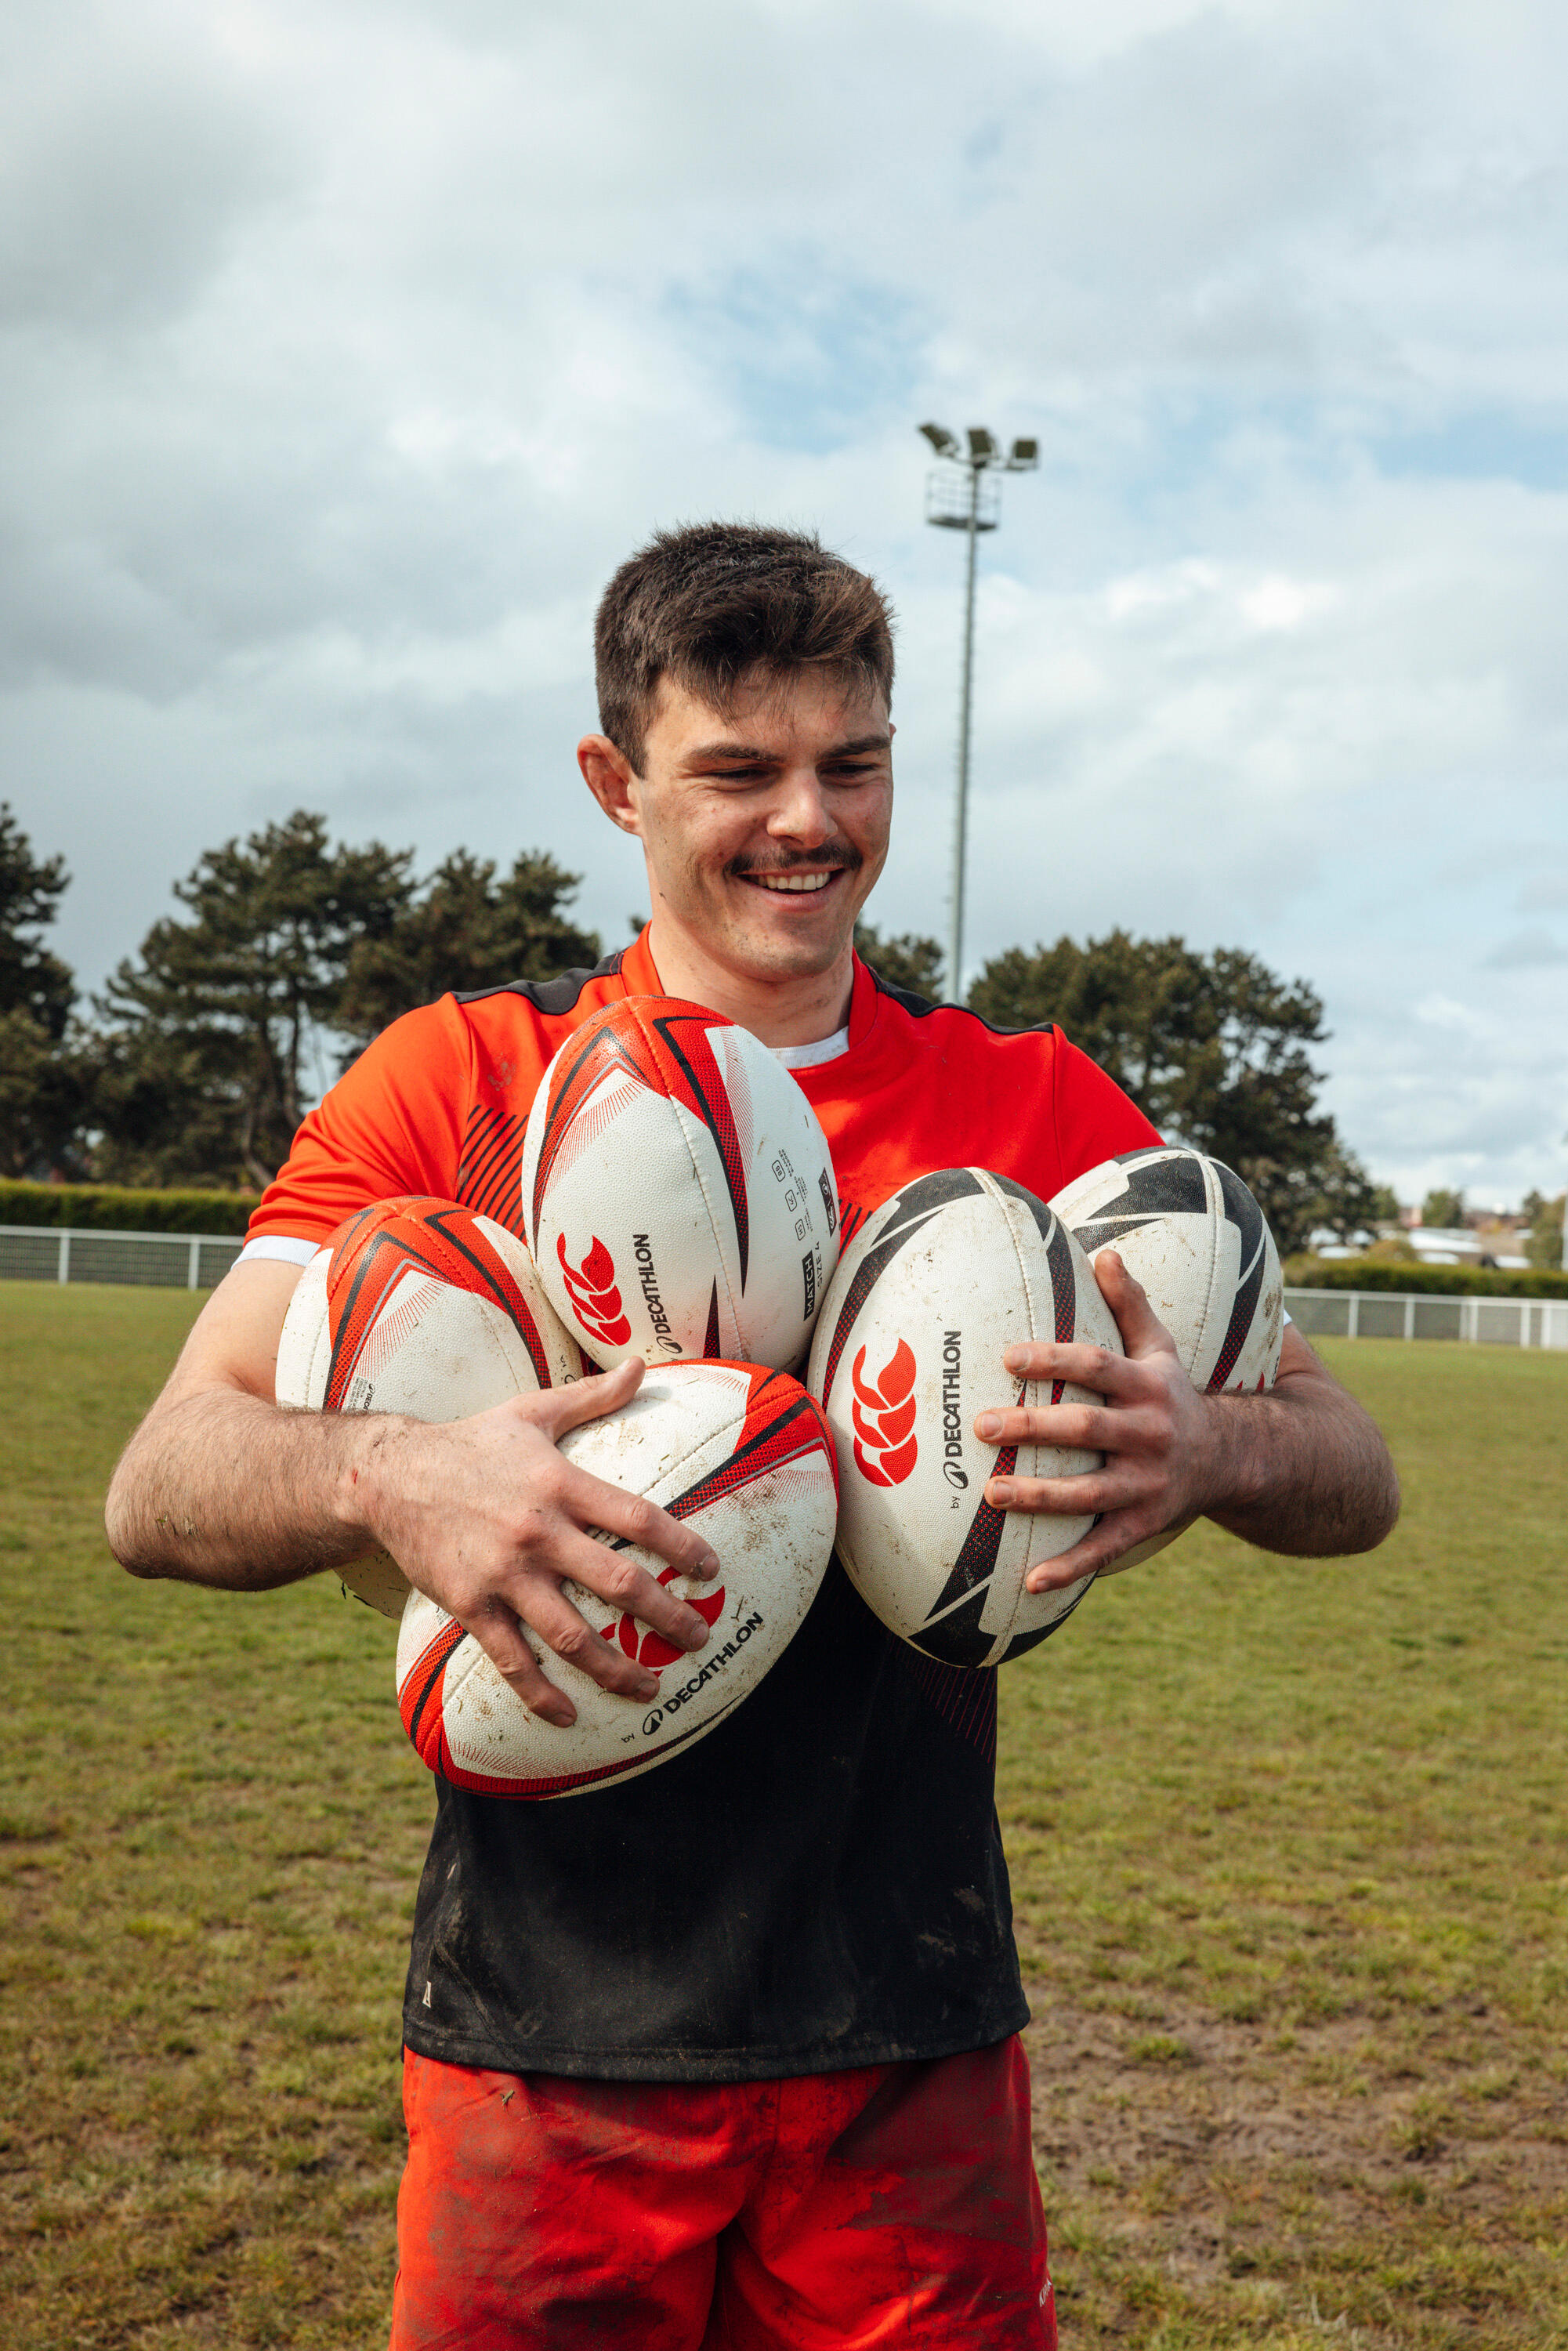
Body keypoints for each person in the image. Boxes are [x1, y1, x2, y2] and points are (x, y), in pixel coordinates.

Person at [106, 522, 1399, 2349]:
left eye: (850, 764)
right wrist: (388, 1473)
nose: (808, 820)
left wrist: (1211, 1450)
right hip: (543, 2036)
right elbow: (160, 1480)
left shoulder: (1021, 1105)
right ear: (612, 781)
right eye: (738, 771)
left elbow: (1350, 1465)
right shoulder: (461, 1082)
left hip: (906, 2024)